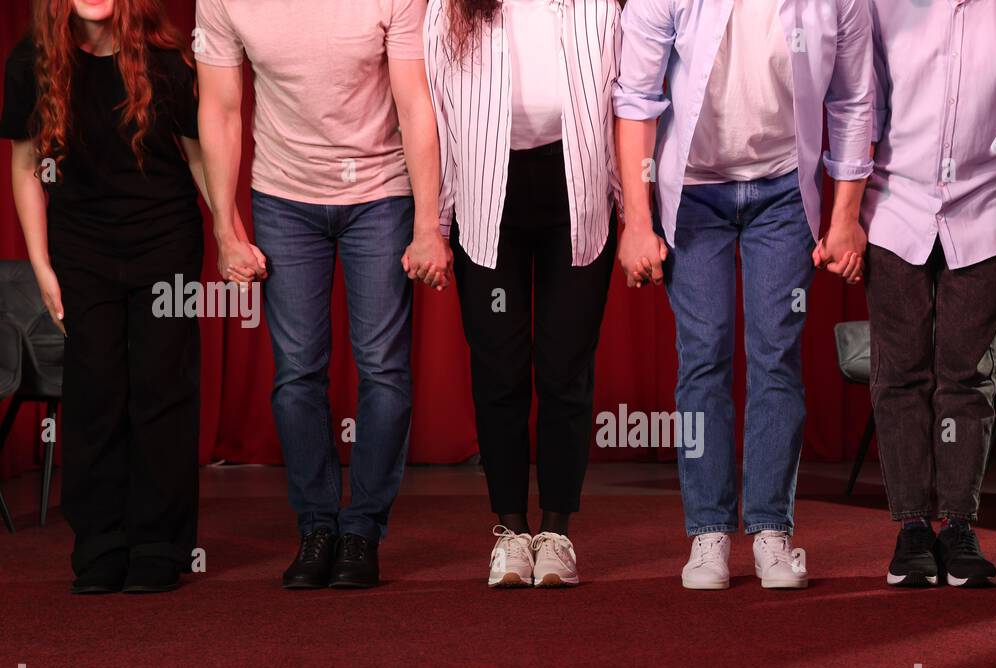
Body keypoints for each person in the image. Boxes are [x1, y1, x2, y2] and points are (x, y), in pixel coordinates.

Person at [1, 0, 260, 594]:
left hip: (163, 242)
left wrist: (228, 228)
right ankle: (99, 545)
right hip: (80, 250)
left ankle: (157, 546)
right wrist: (41, 265)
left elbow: (200, 153)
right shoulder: (32, 62)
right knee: (96, 392)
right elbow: (25, 166)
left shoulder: (166, 61)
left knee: (161, 388)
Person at [615, 0, 873, 591]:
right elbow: (636, 100)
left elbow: (855, 99)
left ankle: (770, 531)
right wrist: (636, 221)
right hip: (695, 192)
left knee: (775, 355)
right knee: (703, 354)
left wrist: (845, 216)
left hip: (784, 192)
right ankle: (708, 532)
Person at [195, 0, 448, 590]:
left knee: (383, 368)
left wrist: (428, 225)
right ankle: (317, 526)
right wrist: (225, 227)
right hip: (284, 196)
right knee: (297, 372)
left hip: (380, 192)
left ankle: (361, 530)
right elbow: (221, 108)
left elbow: (415, 104)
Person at [861, 0, 996, 588]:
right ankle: (912, 528)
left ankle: (958, 524)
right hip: (893, 205)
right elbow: (859, 106)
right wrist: (845, 215)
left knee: (969, 376)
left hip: (983, 208)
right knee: (900, 374)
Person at [424, 0, 621, 588]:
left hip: (576, 192)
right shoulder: (450, 10)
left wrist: (634, 214)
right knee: (499, 368)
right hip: (489, 199)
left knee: (565, 368)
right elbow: (433, 111)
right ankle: (510, 533)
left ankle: (556, 532)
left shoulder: (599, 8)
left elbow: (625, 100)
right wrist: (434, 222)